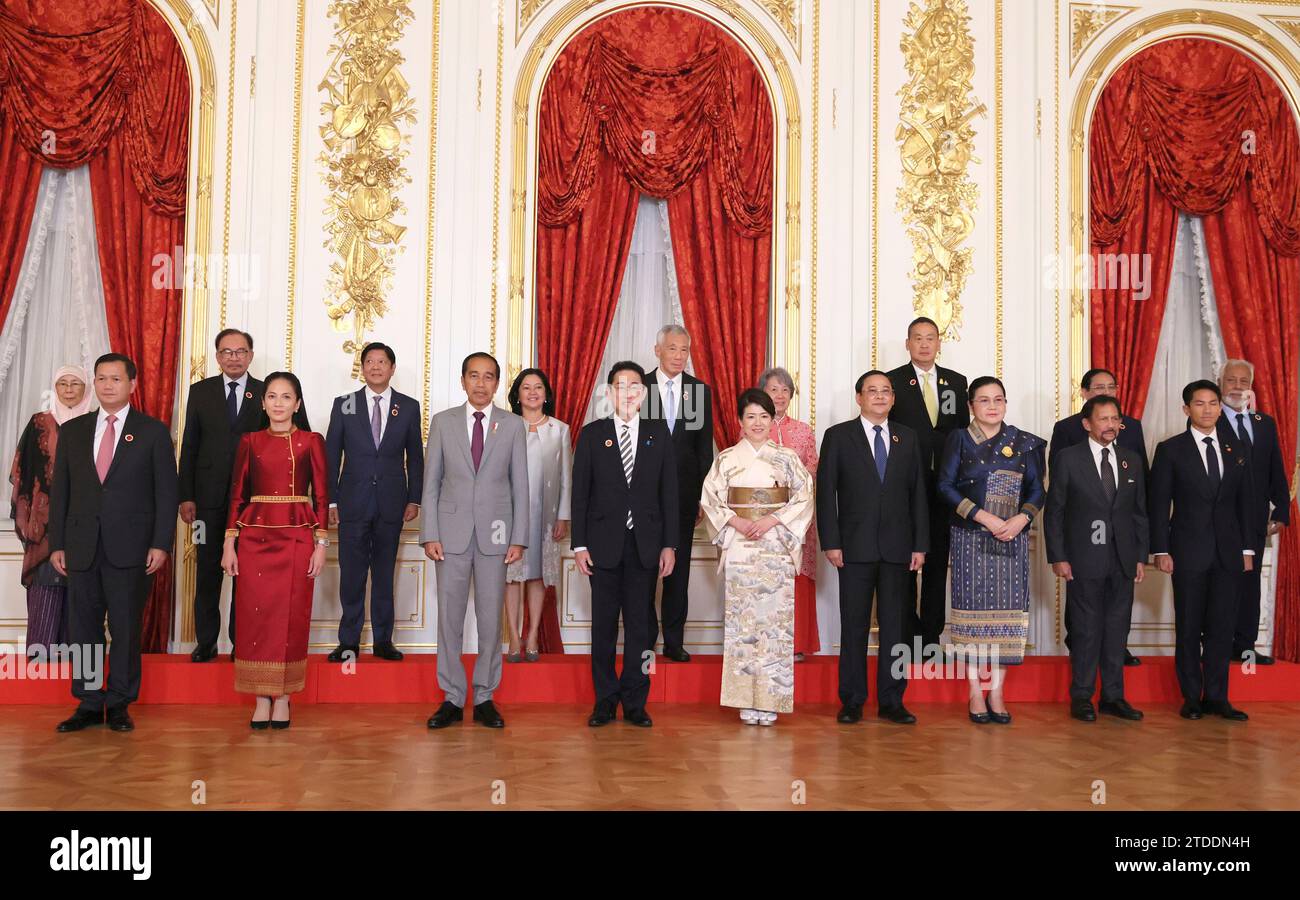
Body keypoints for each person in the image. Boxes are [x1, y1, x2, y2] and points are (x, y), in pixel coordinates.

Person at [48, 353, 177, 733]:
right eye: (101, 378)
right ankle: (88, 702)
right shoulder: (73, 431)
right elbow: (61, 494)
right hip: (81, 545)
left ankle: (119, 702)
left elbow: (166, 493)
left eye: (116, 379)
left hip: (132, 548)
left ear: (132, 385)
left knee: (124, 626)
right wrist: (58, 544)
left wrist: (161, 543)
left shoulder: (152, 432)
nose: (107, 385)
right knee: (84, 627)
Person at [422, 352, 528, 730]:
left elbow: (521, 485)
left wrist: (519, 538)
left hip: (496, 537)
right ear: (463, 381)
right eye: (473, 376)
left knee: (489, 621)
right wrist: (429, 533)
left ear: (497, 383)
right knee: (448, 620)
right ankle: (451, 697)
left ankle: (484, 696)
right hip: (449, 537)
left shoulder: (513, 425)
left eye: (488, 377)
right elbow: (431, 482)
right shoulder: (443, 423)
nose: (480, 384)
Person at [817, 371, 928, 725]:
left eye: (885, 392)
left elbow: (918, 496)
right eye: (872, 391)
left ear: (893, 398)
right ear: (859, 397)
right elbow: (826, 494)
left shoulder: (907, 438)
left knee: (897, 627)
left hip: (899, 548)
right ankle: (852, 699)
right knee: (854, 626)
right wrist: (831, 542)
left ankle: (892, 700)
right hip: (853, 547)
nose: (879, 397)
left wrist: (920, 544)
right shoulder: (838, 437)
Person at [572, 361, 677, 728]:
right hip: (601, 547)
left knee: (641, 627)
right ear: (609, 393)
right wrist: (579, 545)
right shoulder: (592, 434)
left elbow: (670, 494)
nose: (628, 391)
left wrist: (670, 545)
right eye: (620, 385)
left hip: (645, 546)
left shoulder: (658, 434)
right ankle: (604, 700)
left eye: (635, 385)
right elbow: (580, 495)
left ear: (644, 394)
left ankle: (635, 699)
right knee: (603, 626)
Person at [220, 372, 328, 729]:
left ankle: (282, 697)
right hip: (254, 537)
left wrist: (322, 544)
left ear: (298, 403)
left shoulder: (312, 441)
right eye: (272, 396)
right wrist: (228, 543)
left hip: (298, 537)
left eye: (286, 397)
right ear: (263, 402)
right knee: (255, 615)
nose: (278, 403)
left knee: (290, 616)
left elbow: (324, 496)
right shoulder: (249, 441)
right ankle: (259, 696)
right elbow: (237, 494)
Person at [700, 389, 813, 725]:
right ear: (740, 421)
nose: (758, 423)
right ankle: (744, 700)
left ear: (772, 419)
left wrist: (771, 519)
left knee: (774, 624)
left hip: (775, 543)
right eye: (751, 416)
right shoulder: (726, 459)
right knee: (743, 623)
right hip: (740, 545)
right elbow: (710, 499)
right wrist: (735, 520)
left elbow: (804, 497)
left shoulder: (788, 458)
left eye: (764, 416)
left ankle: (771, 699)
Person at [1149, 380, 1259, 722]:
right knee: (1189, 626)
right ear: (1187, 409)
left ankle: (1217, 697)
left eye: (1213, 403)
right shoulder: (1171, 450)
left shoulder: (1236, 448)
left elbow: (1246, 503)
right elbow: (1158, 505)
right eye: (1200, 403)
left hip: (1228, 554)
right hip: (1187, 551)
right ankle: (1191, 698)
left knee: (1221, 628)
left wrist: (1247, 549)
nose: (1208, 409)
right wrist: (1160, 550)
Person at [937, 376, 1044, 726]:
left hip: (1011, 537)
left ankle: (997, 690)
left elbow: (1037, 491)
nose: (992, 406)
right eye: (984, 400)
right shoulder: (959, 439)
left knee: (1006, 617)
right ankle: (974, 690)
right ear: (971, 406)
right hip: (971, 535)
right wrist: (982, 516)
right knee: (971, 615)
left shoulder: (1024, 442)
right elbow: (945, 485)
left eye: (999, 399)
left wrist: (1020, 520)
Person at [1044, 395, 1147, 723]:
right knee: (1087, 630)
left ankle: (1113, 697)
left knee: (1118, 629)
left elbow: (1139, 513)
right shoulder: (1068, 459)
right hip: (1082, 557)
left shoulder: (1131, 459)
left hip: (1122, 559)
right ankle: (1082, 697)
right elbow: (1055, 511)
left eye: (1114, 419)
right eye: (1103, 419)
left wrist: (1140, 557)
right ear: (1087, 424)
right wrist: (1058, 556)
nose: (1110, 425)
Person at [324, 342, 424, 663]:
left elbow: (416, 458)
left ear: (392, 368)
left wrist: (415, 498)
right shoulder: (345, 404)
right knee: (352, 575)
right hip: (353, 503)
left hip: (392, 504)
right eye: (370, 361)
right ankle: (348, 641)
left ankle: (383, 640)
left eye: (382, 361)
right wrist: (331, 502)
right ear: (362, 368)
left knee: (383, 575)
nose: (376, 367)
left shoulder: (408, 407)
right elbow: (331, 456)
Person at [178, 328, 265, 662]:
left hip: (252, 502)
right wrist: (186, 495)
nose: (234, 357)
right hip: (206, 501)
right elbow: (190, 447)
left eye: (240, 351)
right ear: (217, 356)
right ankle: (206, 641)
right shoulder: (200, 392)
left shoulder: (263, 392)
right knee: (207, 571)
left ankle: (240, 642)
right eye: (227, 352)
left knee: (247, 574)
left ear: (250, 356)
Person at [886, 316, 968, 651]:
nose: (924, 344)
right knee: (905, 561)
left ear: (938, 343)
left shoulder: (955, 382)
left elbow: (960, 433)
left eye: (930, 338)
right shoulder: (892, 381)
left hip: (944, 488)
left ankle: (930, 637)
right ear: (907, 343)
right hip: (904, 488)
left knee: (937, 562)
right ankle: (907, 634)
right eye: (917, 338)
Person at [9, 366, 93, 658]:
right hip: (43, 523)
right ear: (54, 388)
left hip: (85, 520)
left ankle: (75, 667)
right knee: (45, 587)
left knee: (81, 594)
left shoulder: (95, 423)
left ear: (87, 389)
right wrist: (29, 515)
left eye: (75, 384)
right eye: (62, 384)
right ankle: (40, 663)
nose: (69, 389)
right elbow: (24, 471)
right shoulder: (39, 423)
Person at [642, 324, 713, 662]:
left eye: (684, 350)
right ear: (658, 350)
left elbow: (703, 450)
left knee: (678, 572)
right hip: (641, 499)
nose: (679, 356)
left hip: (684, 497)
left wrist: (702, 495)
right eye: (672, 349)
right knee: (643, 571)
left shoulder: (698, 392)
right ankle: (643, 641)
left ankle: (673, 641)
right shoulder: (638, 387)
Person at [1216, 359, 1290, 665]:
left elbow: (1276, 470)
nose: (1237, 387)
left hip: (1256, 519)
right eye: (1231, 381)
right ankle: (1218, 646)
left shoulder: (1265, 423)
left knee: (1250, 584)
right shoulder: (1210, 419)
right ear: (1220, 384)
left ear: (1251, 386)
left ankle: (1245, 646)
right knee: (1222, 584)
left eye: (1243, 381)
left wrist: (1281, 511)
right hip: (1220, 520)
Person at [503, 368, 571, 662]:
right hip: (509, 515)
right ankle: (514, 638)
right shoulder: (504, 426)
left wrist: (563, 516)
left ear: (546, 394)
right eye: (526, 387)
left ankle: (532, 638)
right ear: (517, 395)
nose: (532, 392)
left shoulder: (560, 429)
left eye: (538, 387)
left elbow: (567, 478)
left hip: (546, 515)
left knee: (538, 576)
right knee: (511, 577)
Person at [759, 366, 820, 660]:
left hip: (798, 518)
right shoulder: (754, 427)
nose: (780, 395)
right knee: (767, 577)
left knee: (797, 577)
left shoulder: (803, 430)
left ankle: (796, 644)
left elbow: (813, 469)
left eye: (785, 390)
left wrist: (793, 478)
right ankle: (767, 640)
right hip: (763, 517)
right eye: (774, 389)